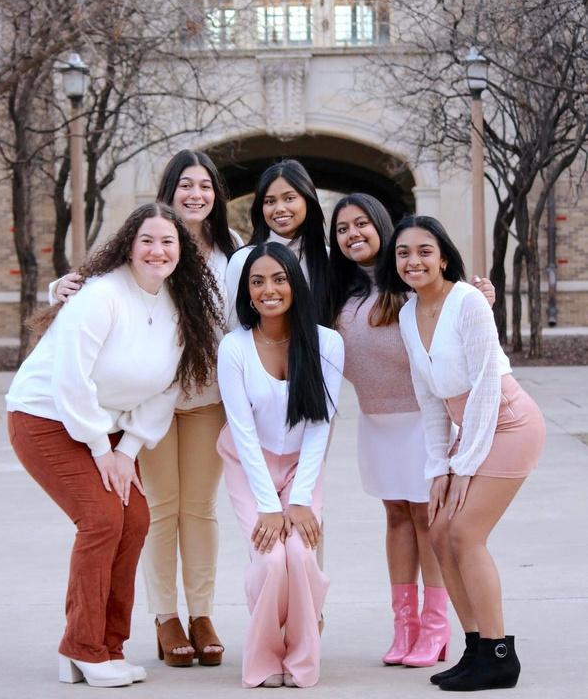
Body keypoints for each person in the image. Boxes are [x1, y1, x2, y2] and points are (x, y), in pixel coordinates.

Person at [6, 203, 222, 688]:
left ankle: (108, 646)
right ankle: (81, 647)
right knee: (102, 518)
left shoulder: (177, 305)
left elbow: (168, 389)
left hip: (111, 431)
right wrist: (103, 450)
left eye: (168, 241)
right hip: (45, 417)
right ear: (129, 244)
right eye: (147, 239)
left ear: (181, 251)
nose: (157, 250)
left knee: (136, 519)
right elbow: (70, 378)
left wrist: (127, 451)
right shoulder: (101, 295)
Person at [50, 150, 241, 667]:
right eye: (185, 185)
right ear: (168, 191)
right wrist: (60, 286)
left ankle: (201, 613)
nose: (195, 194)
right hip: (145, 406)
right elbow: (99, 281)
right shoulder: (152, 238)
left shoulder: (233, 251)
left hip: (206, 400)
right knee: (158, 510)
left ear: (216, 196)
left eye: (205, 185)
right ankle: (165, 617)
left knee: (199, 509)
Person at [378, 215, 545, 691]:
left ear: (444, 256)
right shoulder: (409, 314)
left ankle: (499, 655)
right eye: (404, 253)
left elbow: (488, 388)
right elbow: (429, 397)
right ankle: (475, 649)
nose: (414, 260)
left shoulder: (468, 302)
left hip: (509, 423)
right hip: (468, 427)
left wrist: (464, 467)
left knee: (466, 532)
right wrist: (439, 468)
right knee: (439, 531)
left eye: (424, 251)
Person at [329, 194, 495, 668]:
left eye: (362, 223)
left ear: (382, 227)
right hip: (376, 421)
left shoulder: (409, 282)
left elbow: (460, 323)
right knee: (396, 518)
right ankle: (404, 626)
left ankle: (436, 628)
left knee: (427, 520)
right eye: (342, 228)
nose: (353, 234)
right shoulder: (337, 290)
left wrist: (481, 298)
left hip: (425, 420)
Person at [217, 242, 344, 688]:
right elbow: (242, 432)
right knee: (271, 561)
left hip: (301, 468)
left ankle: (303, 657)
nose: (268, 289)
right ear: (247, 293)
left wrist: (302, 499)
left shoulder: (327, 343)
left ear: (295, 283)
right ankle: (265, 658)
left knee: (302, 556)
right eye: (257, 281)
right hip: (249, 465)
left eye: (278, 278)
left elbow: (319, 427)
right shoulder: (233, 348)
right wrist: (270, 505)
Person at [225, 159, 330, 328]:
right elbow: (232, 327)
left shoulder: (328, 258)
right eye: (270, 201)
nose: (279, 208)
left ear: (308, 201)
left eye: (289, 198)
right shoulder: (243, 260)